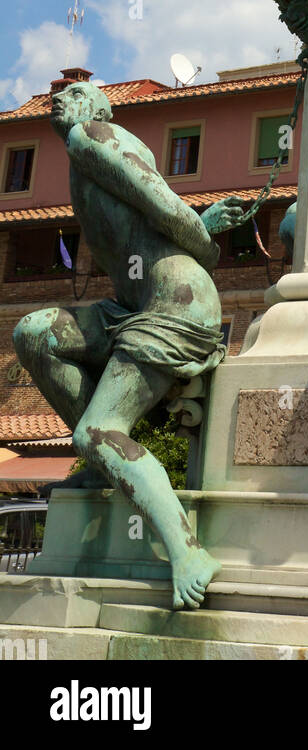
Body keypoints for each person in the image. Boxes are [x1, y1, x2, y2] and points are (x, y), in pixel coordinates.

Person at [14, 81, 248, 610]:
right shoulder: (90, 148)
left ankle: (188, 552)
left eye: (73, 92)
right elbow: (154, 215)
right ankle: (102, 464)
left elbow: (163, 206)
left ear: (100, 107)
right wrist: (201, 226)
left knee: (99, 431)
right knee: (33, 333)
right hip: (131, 306)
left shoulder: (91, 135)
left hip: (173, 304)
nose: (59, 99)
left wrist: (205, 244)